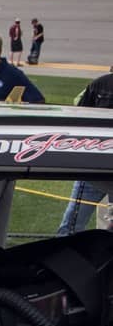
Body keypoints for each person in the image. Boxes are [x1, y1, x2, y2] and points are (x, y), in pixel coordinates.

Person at [54, 69, 113, 236]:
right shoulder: (100, 84)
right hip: (94, 167)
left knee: (72, 222)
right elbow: (79, 117)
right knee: (72, 222)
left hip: (95, 166)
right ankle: (62, 257)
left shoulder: (100, 84)